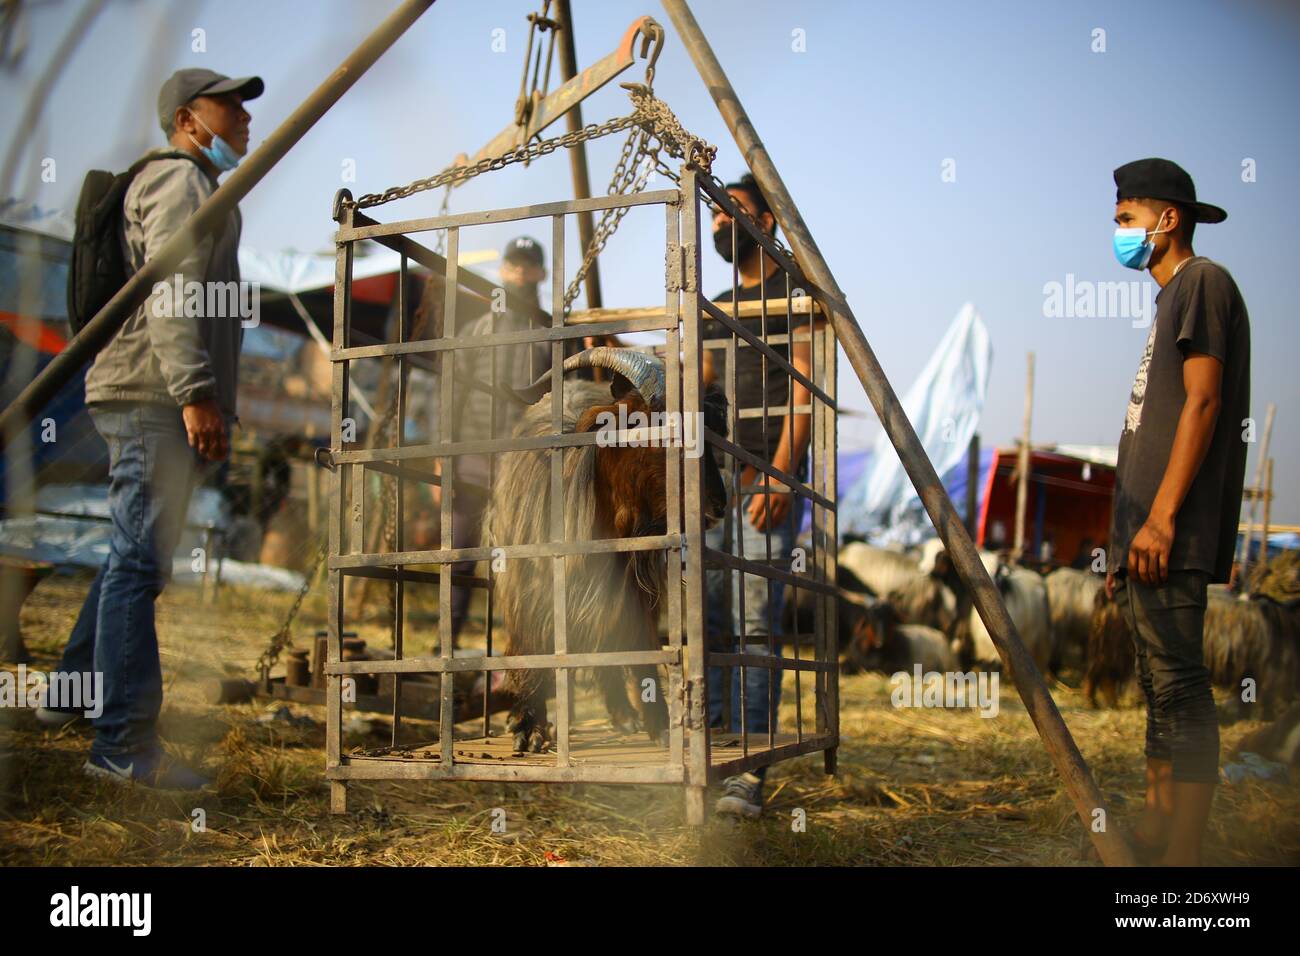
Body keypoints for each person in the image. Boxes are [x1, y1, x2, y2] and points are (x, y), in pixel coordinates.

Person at [36, 69, 263, 793]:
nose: (244, 117)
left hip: (151, 392)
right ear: (188, 118)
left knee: (127, 558)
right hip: (151, 393)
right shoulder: (178, 180)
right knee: (139, 566)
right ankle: (123, 745)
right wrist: (196, 393)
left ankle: (69, 699)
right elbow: (174, 291)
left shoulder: (201, 184)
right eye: (229, 104)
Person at [1103, 158, 1250, 865]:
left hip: (1172, 532)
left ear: (1168, 222)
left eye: (1128, 219)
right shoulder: (1169, 302)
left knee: (1182, 688)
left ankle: (1184, 855)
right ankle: (1159, 828)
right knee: (1159, 688)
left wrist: (1160, 520)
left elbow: (1203, 402)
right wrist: (1121, 542)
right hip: (1143, 537)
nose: (1120, 232)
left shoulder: (1201, 283)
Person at [702, 173, 815, 818]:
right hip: (720, 485)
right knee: (711, 623)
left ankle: (751, 767)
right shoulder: (719, 303)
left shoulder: (790, 294)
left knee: (752, 626)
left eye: (732, 212)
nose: (720, 223)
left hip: (763, 485)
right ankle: (718, 753)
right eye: (714, 215)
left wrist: (778, 473)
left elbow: (803, 393)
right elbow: (703, 380)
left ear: (766, 223)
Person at [442, 237, 554, 644]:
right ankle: (445, 646)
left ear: (541, 273)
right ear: (502, 271)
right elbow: (452, 398)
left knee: (520, 563)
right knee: (457, 557)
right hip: (470, 458)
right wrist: (444, 455)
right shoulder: (475, 331)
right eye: (513, 265)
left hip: (523, 468)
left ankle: (517, 655)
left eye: (528, 265)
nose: (520, 272)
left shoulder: (549, 335)